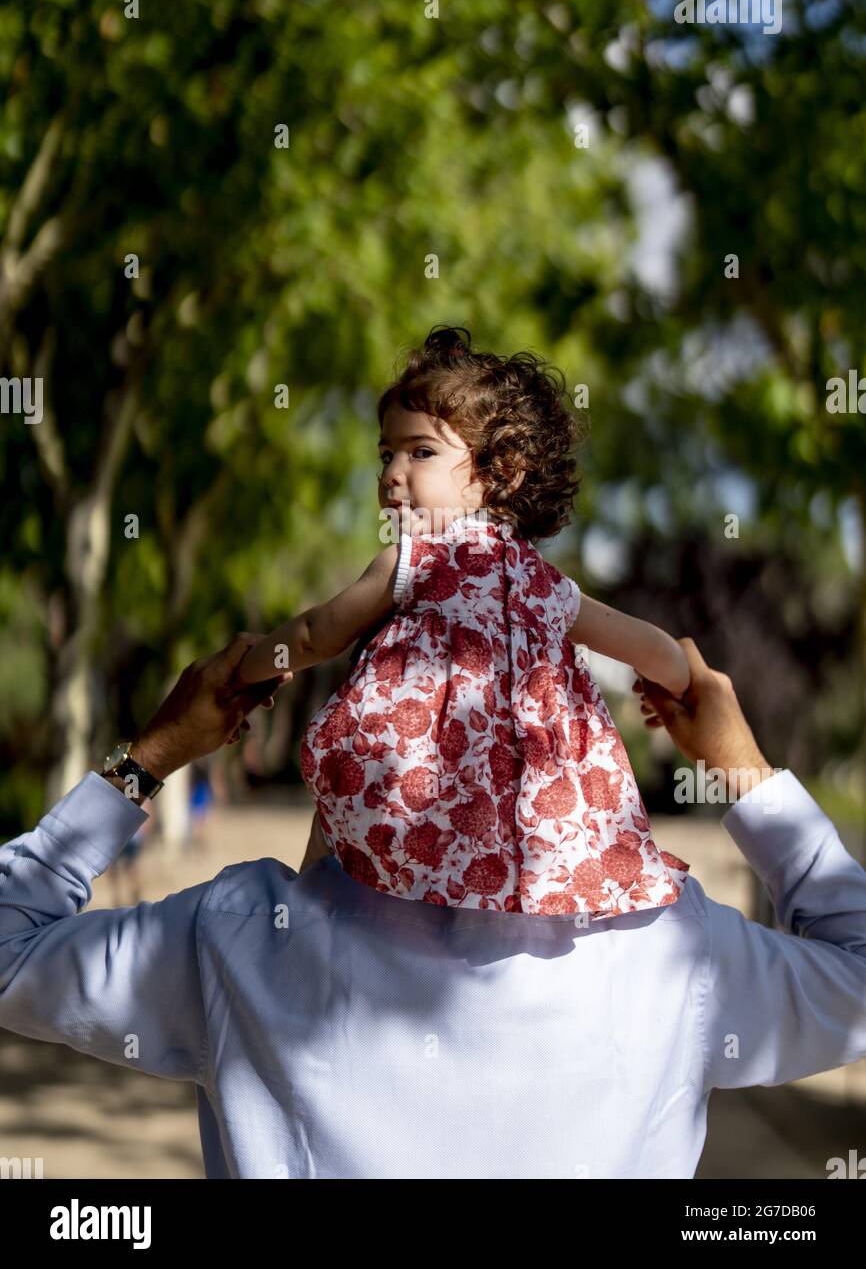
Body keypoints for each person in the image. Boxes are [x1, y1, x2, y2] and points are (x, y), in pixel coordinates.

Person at [1, 634, 865, 1179]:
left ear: (351, 742)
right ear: (578, 743)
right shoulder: (673, 948)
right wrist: (743, 770)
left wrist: (151, 755)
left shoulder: (238, 934)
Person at [233, 326, 692, 914]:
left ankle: (308, 923)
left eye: (421, 451)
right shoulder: (548, 586)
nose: (392, 472)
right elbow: (644, 643)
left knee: (338, 834)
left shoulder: (413, 559)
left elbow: (315, 634)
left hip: (405, 792)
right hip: (518, 821)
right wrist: (675, 683)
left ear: (503, 472)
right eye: (386, 453)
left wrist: (250, 666)